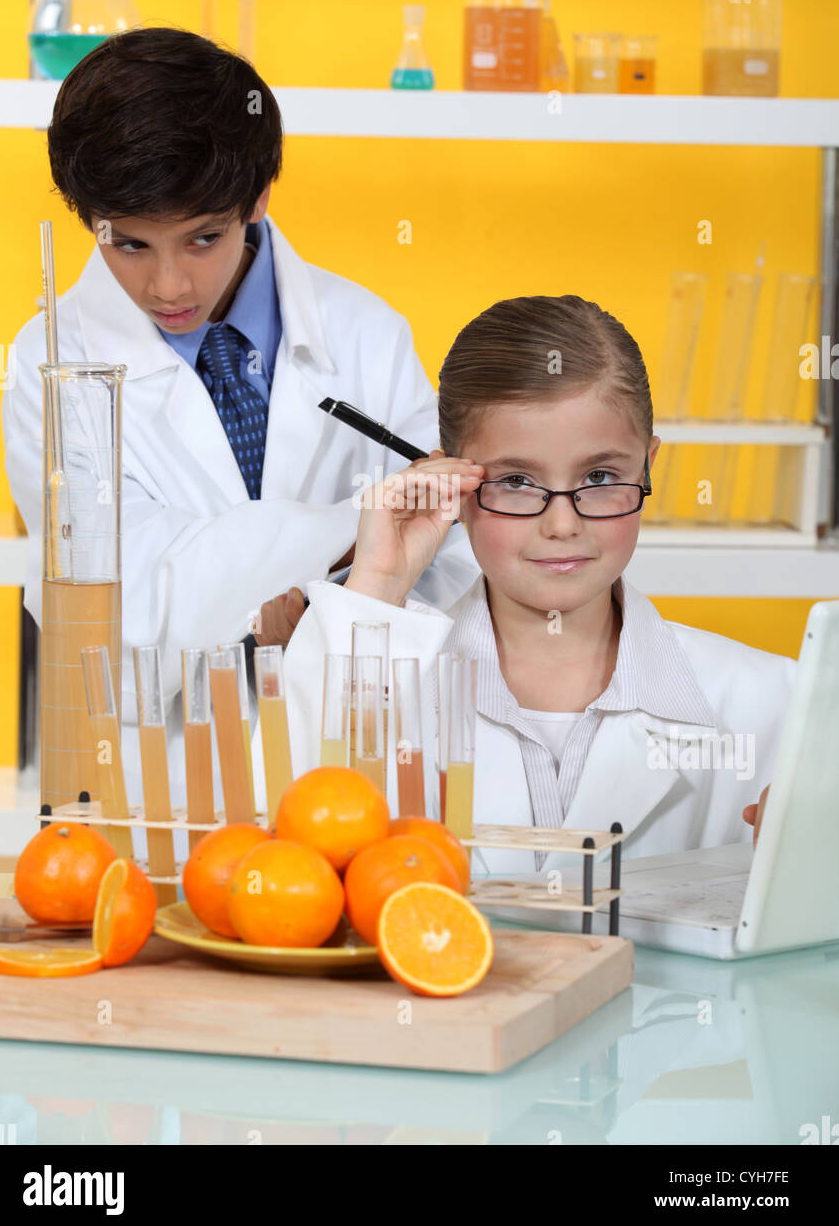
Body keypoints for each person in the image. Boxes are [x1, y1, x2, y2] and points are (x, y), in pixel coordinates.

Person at [2, 27, 478, 807]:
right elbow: (131, 589)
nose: (167, 284)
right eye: (128, 243)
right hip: (152, 790)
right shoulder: (52, 365)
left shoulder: (365, 334)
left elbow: (450, 566)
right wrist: (359, 535)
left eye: (203, 238)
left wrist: (334, 618)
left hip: (343, 775)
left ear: (257, 199)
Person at [283, 295, 795, 875]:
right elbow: (292, 859)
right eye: (518, 481)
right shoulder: (376, 679)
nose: (561, 524)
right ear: (451, 480)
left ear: (648, 466)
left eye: (600, 477)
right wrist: (377, 585)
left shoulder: (780, 705)